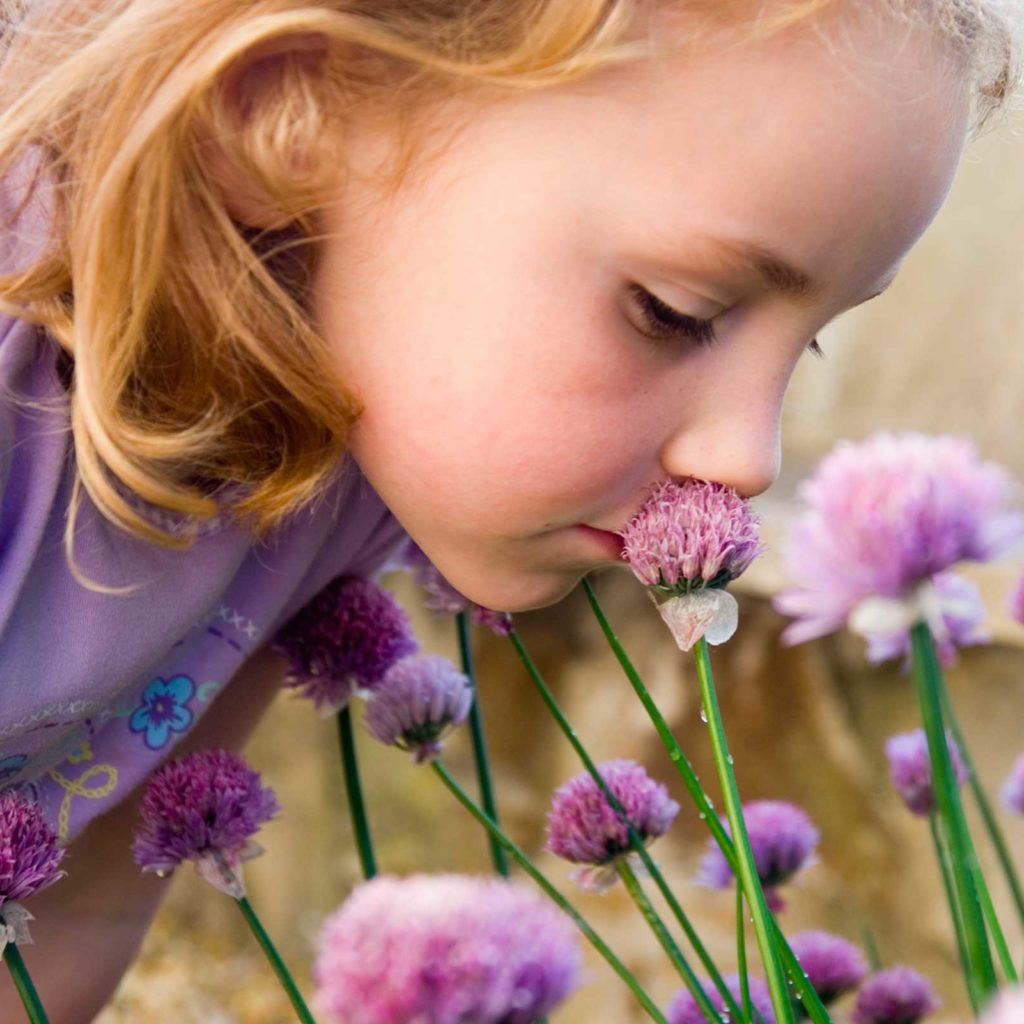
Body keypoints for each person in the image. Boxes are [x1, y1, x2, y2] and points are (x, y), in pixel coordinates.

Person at [0, 0, 1018, 1018]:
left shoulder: (334, 472)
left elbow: (81, 903)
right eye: (677, 310)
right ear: (282, 118)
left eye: (808, 347)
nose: (749, 458)